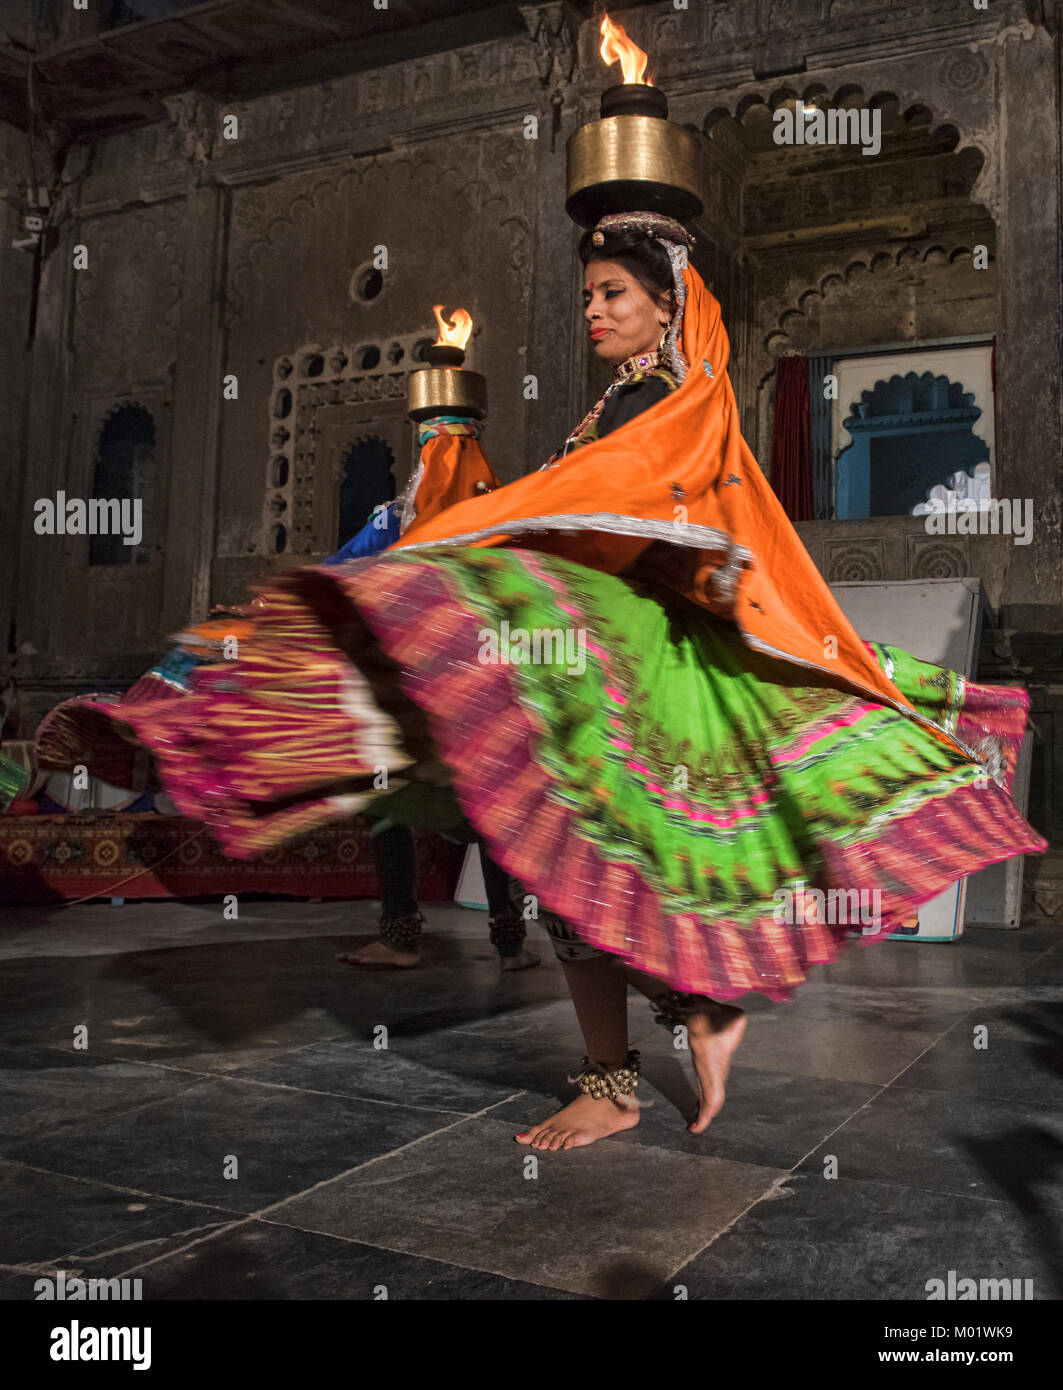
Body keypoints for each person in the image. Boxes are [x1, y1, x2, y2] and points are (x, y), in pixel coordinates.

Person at [53, 212, 1044, 1154]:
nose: (594, 310)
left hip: (631, 658)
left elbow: (627, 516)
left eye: (613, 293)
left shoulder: (676, 398)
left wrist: (470, 544)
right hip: (594, 654)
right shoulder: (615, 403)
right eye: (587, 296)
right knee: (579, 852)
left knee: (587, 845)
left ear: (667, 303)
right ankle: (677, 1019)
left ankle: (636, 1055)